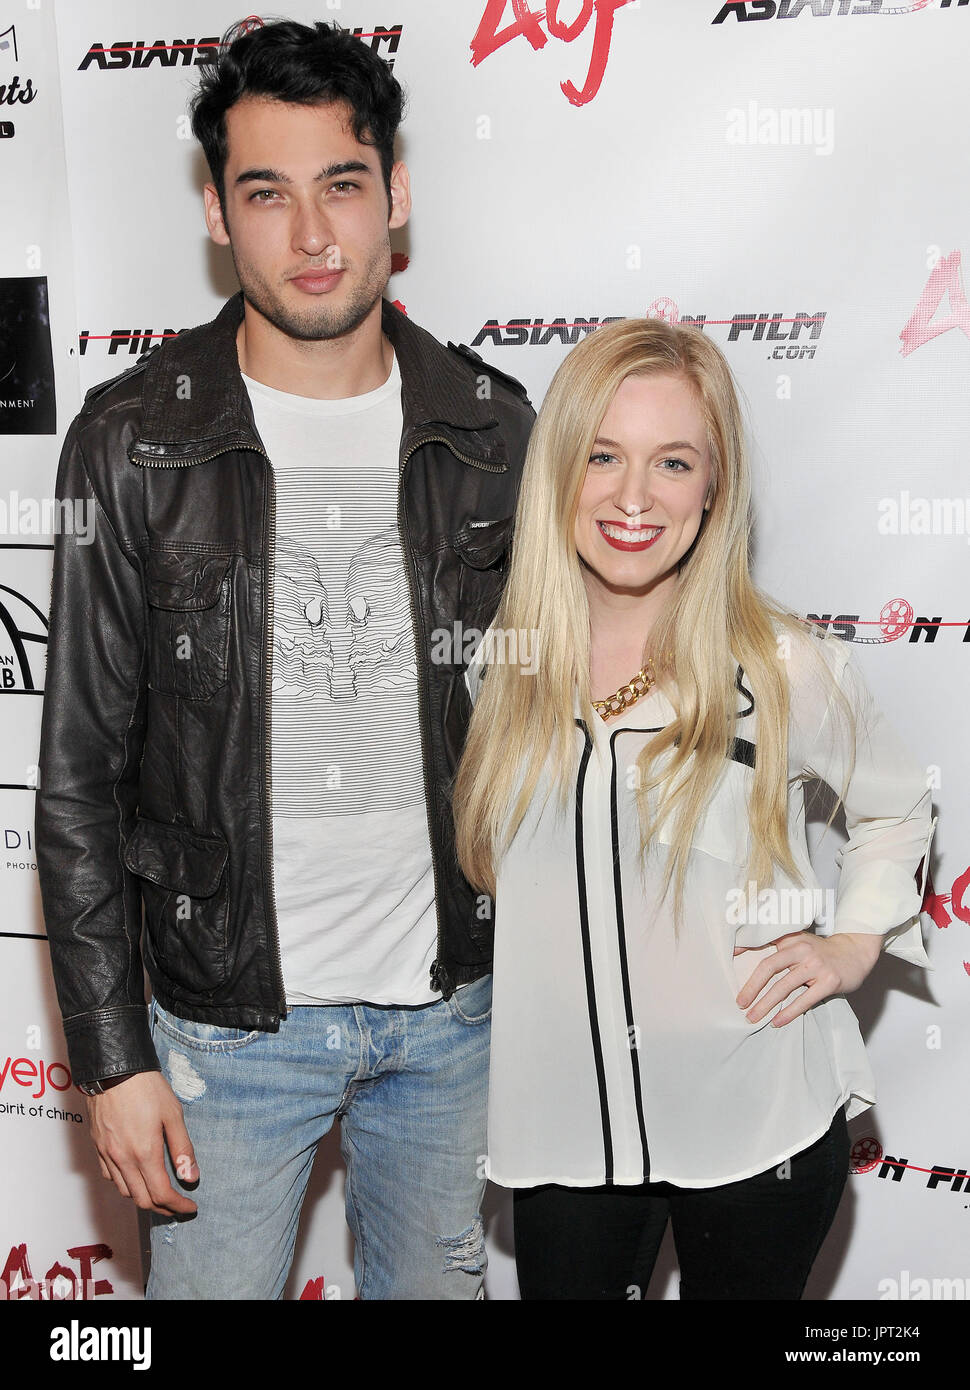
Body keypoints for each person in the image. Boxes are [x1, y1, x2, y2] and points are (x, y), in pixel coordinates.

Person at [34, 18, 533, 1301]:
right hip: (223, 1031)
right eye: (267, 193)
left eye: (342, 186)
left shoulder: (492, 431)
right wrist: (109, 1055)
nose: (312, 237)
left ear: (395, 195)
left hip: (454, 1021)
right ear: (217, 211)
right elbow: (80, 775)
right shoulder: (132, 442)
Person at [453, 317, 935, 1300]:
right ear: (559, 473)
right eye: (602, 456)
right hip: (568, 1131)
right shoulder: (500, 671)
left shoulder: (784, 662)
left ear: (714, 488)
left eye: (672, 462)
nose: (633, 497)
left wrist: (849, 946)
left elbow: (896, 809)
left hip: (757, 1125)